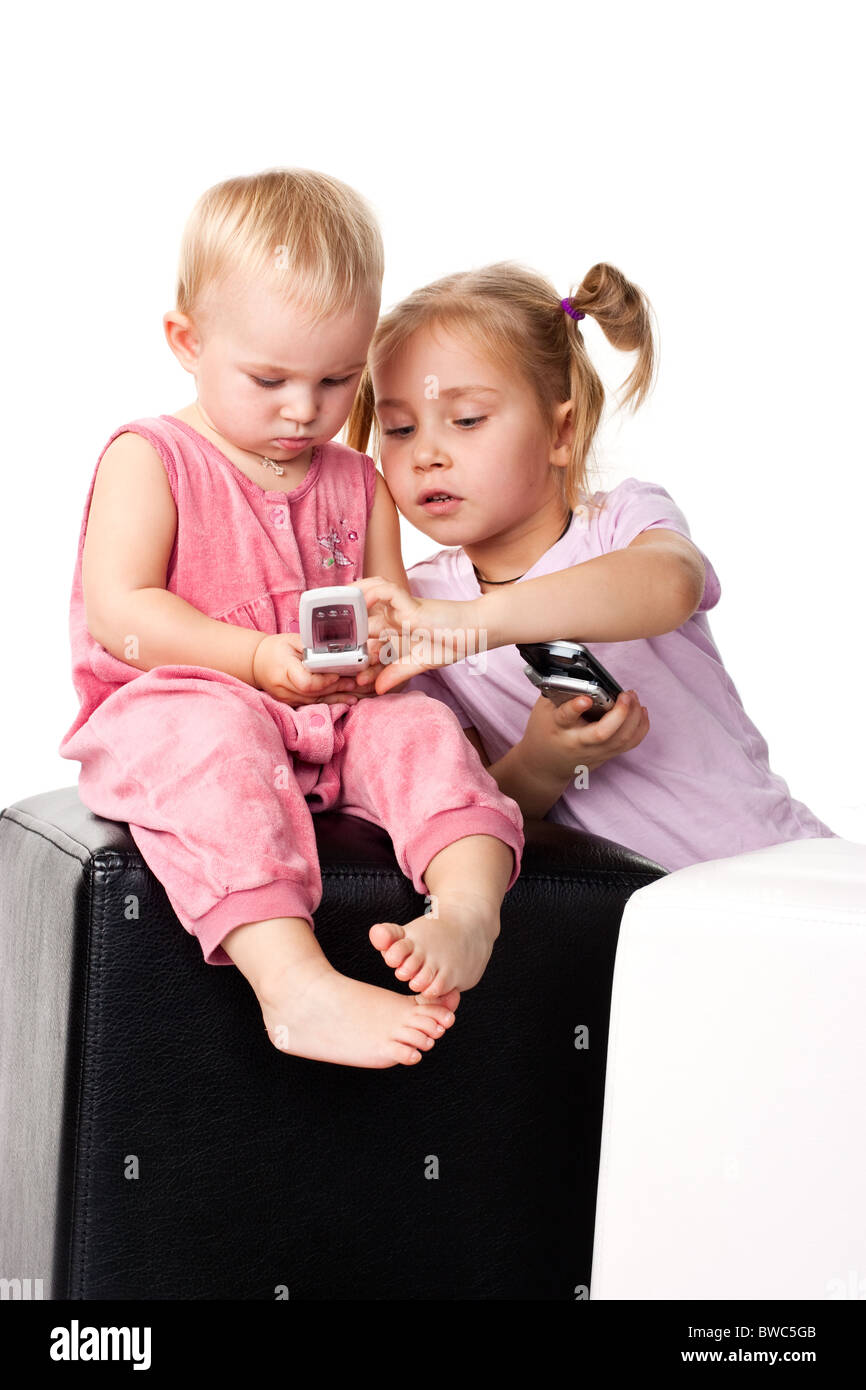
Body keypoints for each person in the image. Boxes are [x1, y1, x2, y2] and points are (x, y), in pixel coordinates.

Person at [58, 170, 526, 1070]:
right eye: (269, 378)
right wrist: (256, 659)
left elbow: (392, 606)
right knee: (219, 737)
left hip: (330, 714)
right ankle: (292, 985)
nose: (304, 409)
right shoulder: (152, 457)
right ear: (187, 341)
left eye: (337, 380)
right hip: (180, 709)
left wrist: (383, 656)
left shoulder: (358, 481)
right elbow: (122, 613)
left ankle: (469, 909)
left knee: (422, 724)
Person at [346, 260, 839, 878]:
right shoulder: (419, 611)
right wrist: (541, 762)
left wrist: (473, 622)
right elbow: (470, 815)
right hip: (638, 927)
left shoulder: (620, 521)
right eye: (400, 428)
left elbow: (671, 584)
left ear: (565, 429)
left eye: (467, 419)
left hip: (782, 866)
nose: (426, 455)